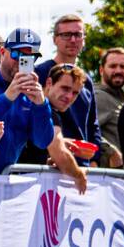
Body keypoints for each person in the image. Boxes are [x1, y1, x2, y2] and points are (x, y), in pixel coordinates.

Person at [0, 29, 65, 178]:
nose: (22, 61)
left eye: (29, 57)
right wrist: (7, 98)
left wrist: (41, 105)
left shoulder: (29, 92)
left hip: (4, 181)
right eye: (17, 54)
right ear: (2, 52)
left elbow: (42, 141)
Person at [36, 14, 104, 163]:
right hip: (47, 167)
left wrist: (95, 160)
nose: (73, 40)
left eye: (78, 35)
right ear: (55, 39)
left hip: (82, 165)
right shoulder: (39, 73)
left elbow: (93, 124)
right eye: (66, 35)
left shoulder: (86, 80)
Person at [15, 63, 91, 193]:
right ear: (49, 83)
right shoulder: (46, 110)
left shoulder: (28, 102)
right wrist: (78, 174)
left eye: (75, 93)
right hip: (15, 186)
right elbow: (59, 153)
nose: (69, 97)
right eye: (65, 88)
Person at [95, 48, 124, 168]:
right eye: (113, 66)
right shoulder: (97, 97)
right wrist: (111, 152)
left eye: (123, 66)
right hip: (106, 179)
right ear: (101, 70)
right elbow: (84, 131)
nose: (118, 70)